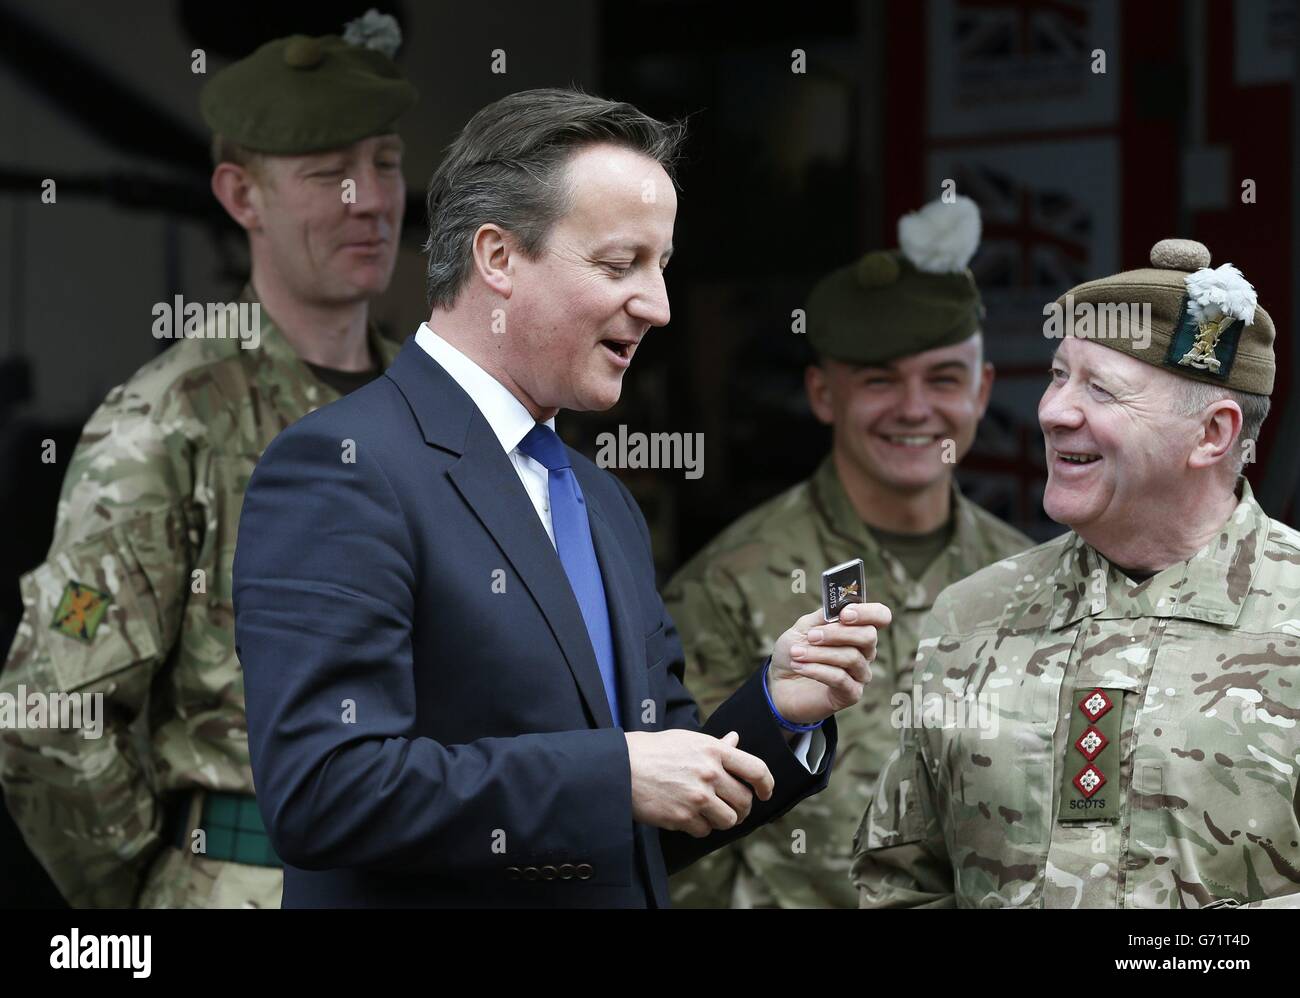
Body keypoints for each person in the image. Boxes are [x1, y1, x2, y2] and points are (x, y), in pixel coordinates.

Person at [231, 87, 892, 908]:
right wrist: (612, 773)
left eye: (662, 266)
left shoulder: (598, 500)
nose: (658, 306)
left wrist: (777, 708)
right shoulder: (344, 466)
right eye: (621, 265)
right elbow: (323, 791)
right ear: (498, 258)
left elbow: (653, 808)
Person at [0, 11, 415, 908]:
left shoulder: (447, 406)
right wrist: (155, 887)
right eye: (328, 174)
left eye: (383, 162)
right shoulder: (167, 423)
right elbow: (50, 715)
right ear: (240, 196)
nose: (373, 200)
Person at [852, 238, 1300, 908]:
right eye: (1060, 375)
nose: (1055, 411)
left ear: (1212, 435)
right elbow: (900, 878)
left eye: (1101, 389)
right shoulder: (972, 615)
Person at [667, 197, 1030, 908]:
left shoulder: (1029, 577)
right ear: (822, 394)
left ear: (982, 392)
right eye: (879, 380)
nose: (915, 407)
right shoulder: (727, 582)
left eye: (944, 379)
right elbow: (685, 832)